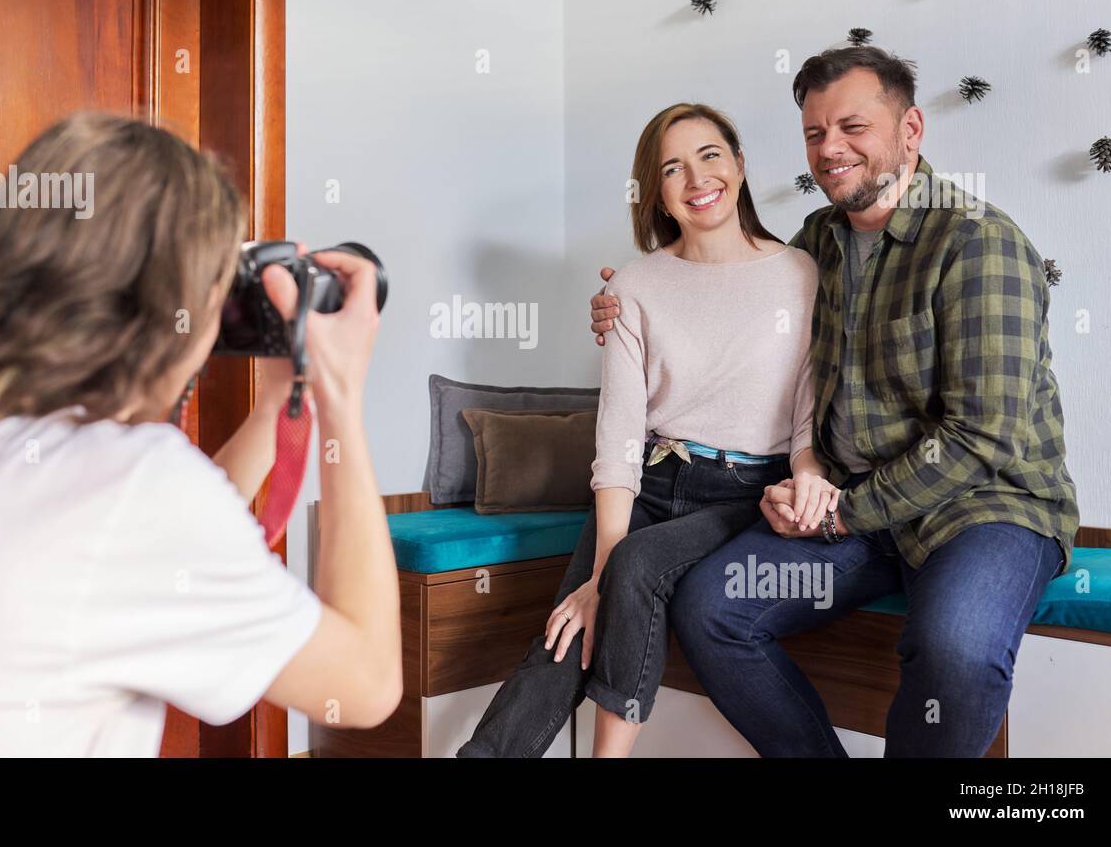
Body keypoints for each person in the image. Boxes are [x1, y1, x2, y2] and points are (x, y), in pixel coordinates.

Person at [0, 112, 401, 756]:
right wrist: (339, 392)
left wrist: (277, 405)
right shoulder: (132, 492)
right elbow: (367, 681)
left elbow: (143, 545)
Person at [588, 47, 1079, 757]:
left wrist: (844, 507)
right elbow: (738, 303)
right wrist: (627, 300)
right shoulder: (818, 242)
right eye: (815, 133)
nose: (831, 149)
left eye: (853, 126)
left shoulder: (979, 243)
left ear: (911, 130)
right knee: (713, 608)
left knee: (956, 648)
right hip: (856, 515)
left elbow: (980, 438)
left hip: (984, 508)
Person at [459, 103, 835, 758]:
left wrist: (808, 475)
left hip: (745, 492)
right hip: (652, 481)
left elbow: (806, 417)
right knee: (564, 630)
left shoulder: (799, 276)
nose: (696, 177)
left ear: (740, 166)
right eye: (672, 168)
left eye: (711, 155)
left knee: (627, 572)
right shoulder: (634, 287)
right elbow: (621, 433)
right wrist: (598, 573)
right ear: (657, 195)